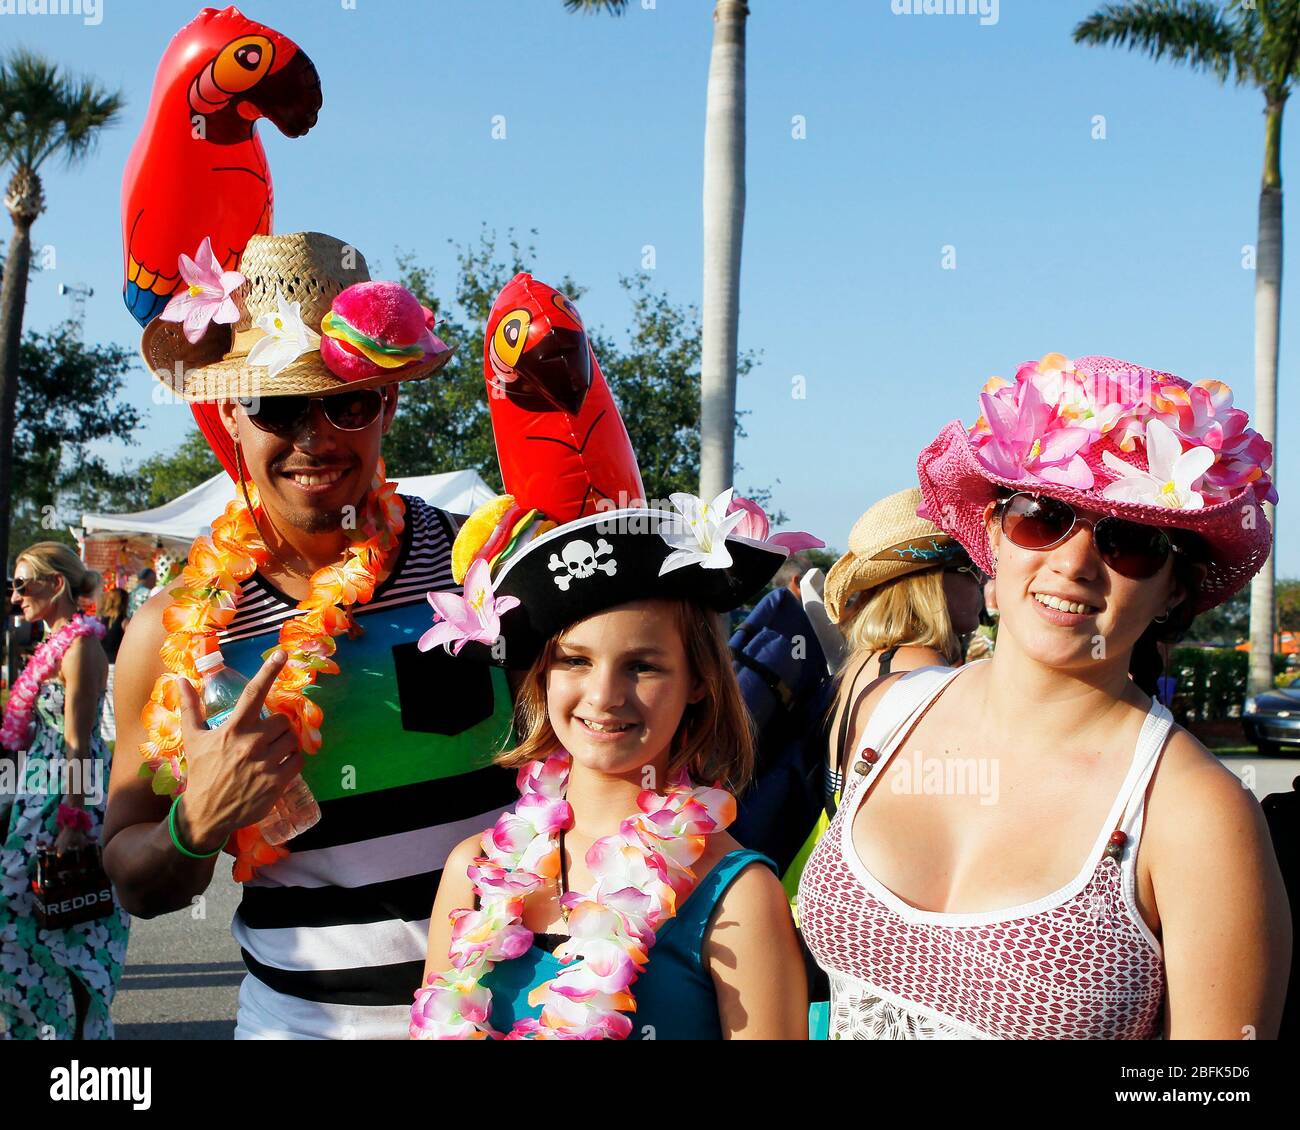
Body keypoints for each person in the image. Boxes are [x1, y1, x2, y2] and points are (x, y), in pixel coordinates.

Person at [799, 352, 1292, 1039]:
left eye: (1132, 540)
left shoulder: (1195, 814)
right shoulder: (888, 715)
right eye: (1042, 514)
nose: (1074, 560)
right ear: (995, 536)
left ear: (1173, 588)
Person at [103, 232, 518, 1039]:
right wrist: (198, 822)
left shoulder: (484, 566)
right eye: (277, 404)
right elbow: (134, 880)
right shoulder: (170, 634)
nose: (314, 437)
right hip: (302, 1028)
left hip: (513, 1013)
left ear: (388, 403)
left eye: (347, 402)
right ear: (231, 411)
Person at [413, 496, 808, 1039]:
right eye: (575, 660)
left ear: (698, 681)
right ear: (543, 676)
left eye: (642, 666)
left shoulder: (737, 893)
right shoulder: (473, 870)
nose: (603, 696)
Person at [0, 542, 130, 1039]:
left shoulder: (80, 648)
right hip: (38, 788)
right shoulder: (52, 643)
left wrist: (73, 823)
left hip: (67, 794)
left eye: (22, 583)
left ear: (56, 584)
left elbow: (79, 744)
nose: (15, 596)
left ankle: (69, 1031)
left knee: (54, 912)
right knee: (25, 913)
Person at [820, 486, 985, 818]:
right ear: (931, 584)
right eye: (971, 569)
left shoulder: (869, 658)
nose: (981, 583)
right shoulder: (922, 674)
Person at [98, 586, 127, 744]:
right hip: (116, 665)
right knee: (115, 699)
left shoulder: (101, 621)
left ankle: (105, 731)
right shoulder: (123, 622)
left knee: (105, 698)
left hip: (102, 665)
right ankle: (114, 733)